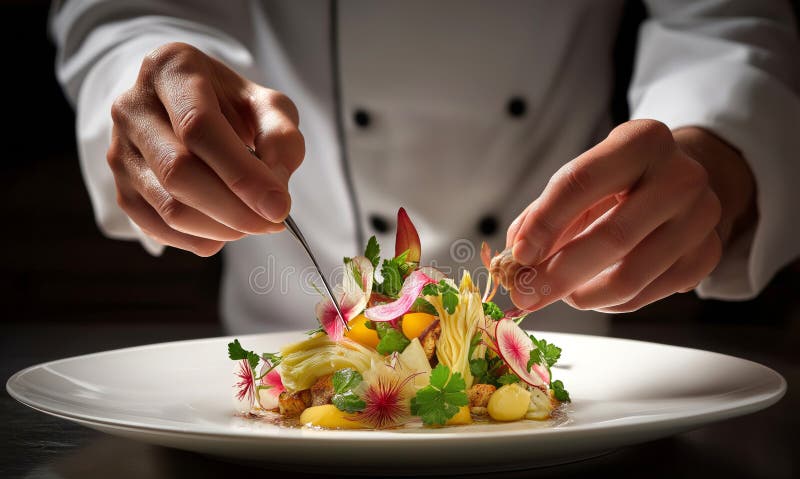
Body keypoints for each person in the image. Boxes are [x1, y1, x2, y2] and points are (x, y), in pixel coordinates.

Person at [51, 1, 800, 334]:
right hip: (279, 355)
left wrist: (715, 157)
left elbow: (727, 24)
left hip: (574, 371)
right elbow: (125, 10)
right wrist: (152, 92)